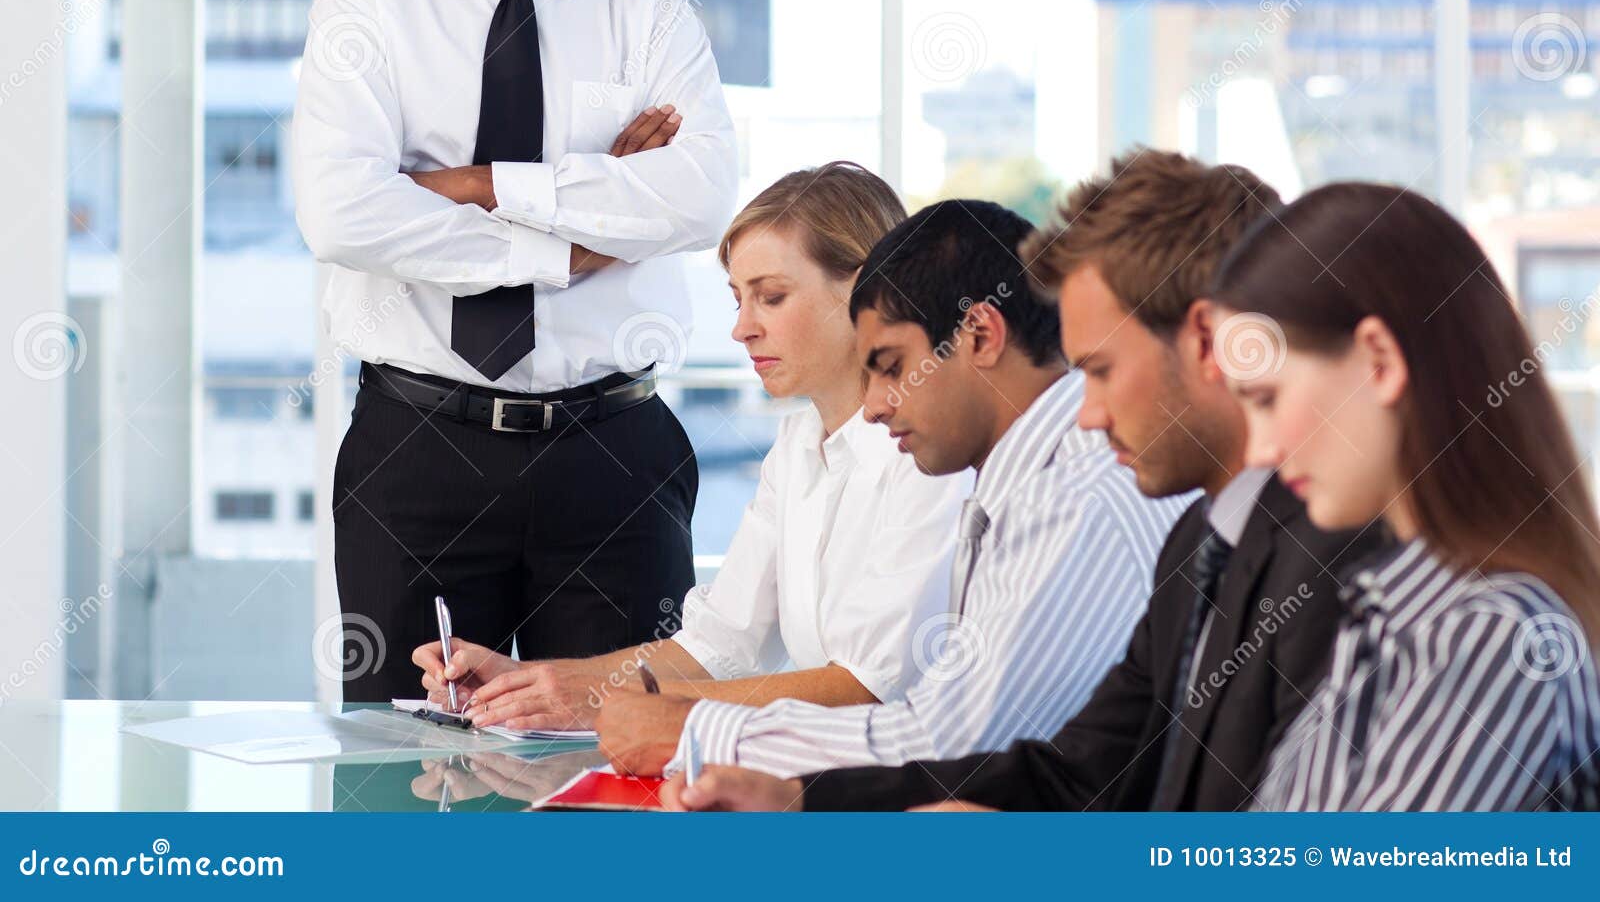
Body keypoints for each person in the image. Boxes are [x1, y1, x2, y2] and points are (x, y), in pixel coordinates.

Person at [659, 149, 1383, 814]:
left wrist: (705, 728)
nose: (1087, 415)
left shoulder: (1099, 497)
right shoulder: (1200, 539)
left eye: (1099, 369)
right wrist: (798, 804)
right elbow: (1074, 772)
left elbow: (956, 738)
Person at [291, 0, 738, 700]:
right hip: (418, 452)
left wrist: (475, 185)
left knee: (618, 757)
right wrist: (574, 238)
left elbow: (698, 196)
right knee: (408, 759)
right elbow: (344, 216)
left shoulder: (647, 12)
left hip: (615, 456)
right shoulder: (370, 8)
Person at [593, 200, 1189, 779]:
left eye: (893, 366)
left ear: (980, 336)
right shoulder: (1015, 483)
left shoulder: (1066, 496)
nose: (875, 407)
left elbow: (945, 738)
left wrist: (697, 727)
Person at [411, 163, 967, 730]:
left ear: (867, 291)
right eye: (738, 301)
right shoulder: (798, 446)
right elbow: (717, 647)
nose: (742, 329)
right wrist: (529, 683)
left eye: (771, 297)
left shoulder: (934, 456)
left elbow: (868, 689)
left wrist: (606, 704)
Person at [1210, 182, 1600, 811]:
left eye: (1266, 398)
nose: (1258, 451)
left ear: (1380, 360)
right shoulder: (1391, 618)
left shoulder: (1491, 639)